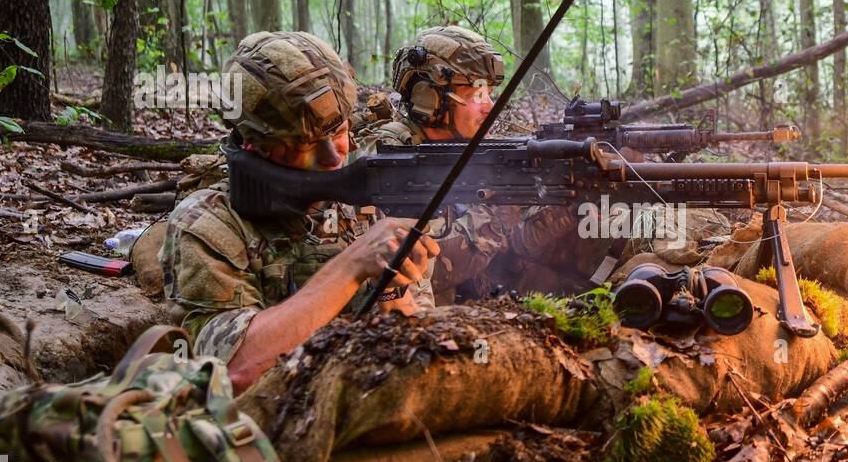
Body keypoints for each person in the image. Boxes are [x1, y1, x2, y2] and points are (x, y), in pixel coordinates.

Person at [162, 30, 439, 393]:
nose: (333, 155)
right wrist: (353, 264)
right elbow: (237, 370)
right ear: (255, 145)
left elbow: (419, 344)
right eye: (305, 144)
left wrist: (390, 289)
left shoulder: (365, 198)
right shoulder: (209, 223)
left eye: (339, 130)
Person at [355, 26, 578, 303]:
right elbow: (414, 272)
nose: (489, 106)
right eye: (477, 95)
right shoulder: (387, 159)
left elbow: (515, 244)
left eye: (489, 94)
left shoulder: (463, 145)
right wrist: (495, 218)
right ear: (429, 97)